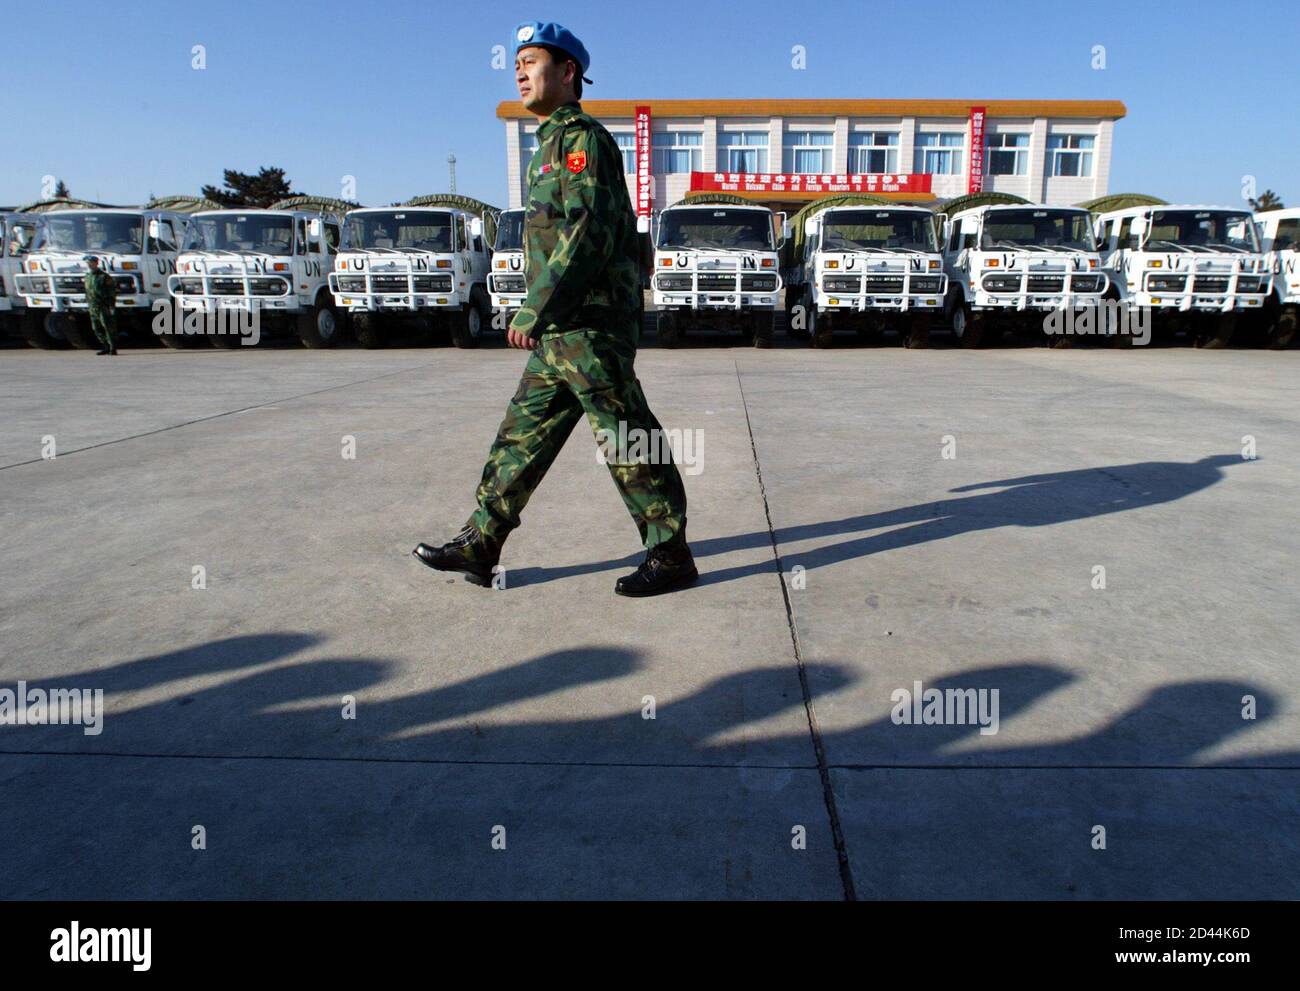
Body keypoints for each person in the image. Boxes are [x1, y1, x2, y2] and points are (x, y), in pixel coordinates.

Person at [413, 21, 695, 597]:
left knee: (625, 434)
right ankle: (482, 540)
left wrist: (532, 308)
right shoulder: (546, 144)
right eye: (515, 62)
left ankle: (669, 554)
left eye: (532, 60)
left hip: (591, 324)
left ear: (568, 73)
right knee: (523, 433)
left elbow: (587, 233)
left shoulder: (582, 140)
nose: (519, 71)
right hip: (562, 329)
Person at [83, 255, 118, 356]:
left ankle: (113, 347)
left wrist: (111, 305)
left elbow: (112, 292)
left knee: (108, 327)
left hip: (103, 305)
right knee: (96, 328)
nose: (89, 265)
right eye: (88, 263)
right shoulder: (88, 277)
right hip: (93, 306)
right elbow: (87, 291)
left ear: (96, 263)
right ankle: (105, 346)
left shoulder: (103, 277)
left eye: (91, 263)